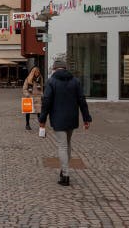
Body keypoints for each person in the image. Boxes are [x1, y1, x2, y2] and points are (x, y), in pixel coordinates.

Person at [38, 55, 92, 187]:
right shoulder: (75, 81)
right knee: (67, 144)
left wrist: (42, 119)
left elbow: (46, 102)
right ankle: (64, 170)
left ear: (55, 69)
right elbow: (82, 100)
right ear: (65, 68)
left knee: (62, 146)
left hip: (58, 118)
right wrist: (86, 118)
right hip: (72, 118)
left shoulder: (51, 82)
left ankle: (65, 175)